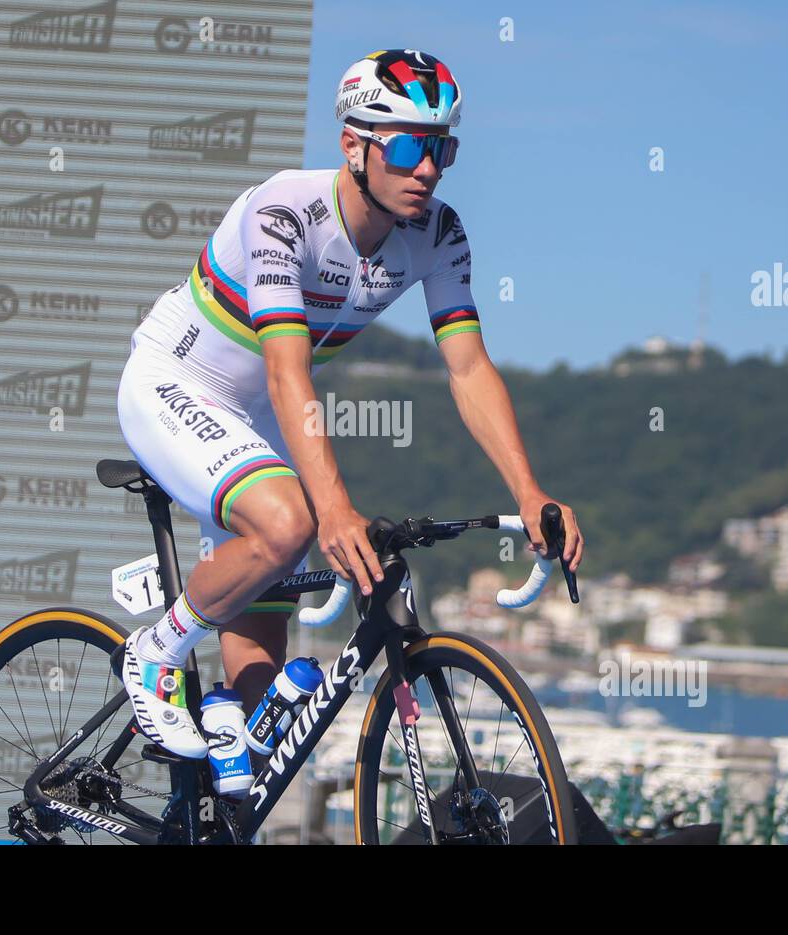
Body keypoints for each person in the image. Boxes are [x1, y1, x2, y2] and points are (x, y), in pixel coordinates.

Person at [116, 49, 584, 756]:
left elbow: (467, 367)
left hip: (259, 413)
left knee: (260, 723)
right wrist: (331, 510)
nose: (426, 169)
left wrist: (528, 490)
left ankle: (223, 775)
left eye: (441, 148)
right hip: (177, 382)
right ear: (353, 144)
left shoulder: (438, 233)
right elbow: (286, 371)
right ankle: (157, 648)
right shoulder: (285, 213)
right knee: (292, 522)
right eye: (404, 146)